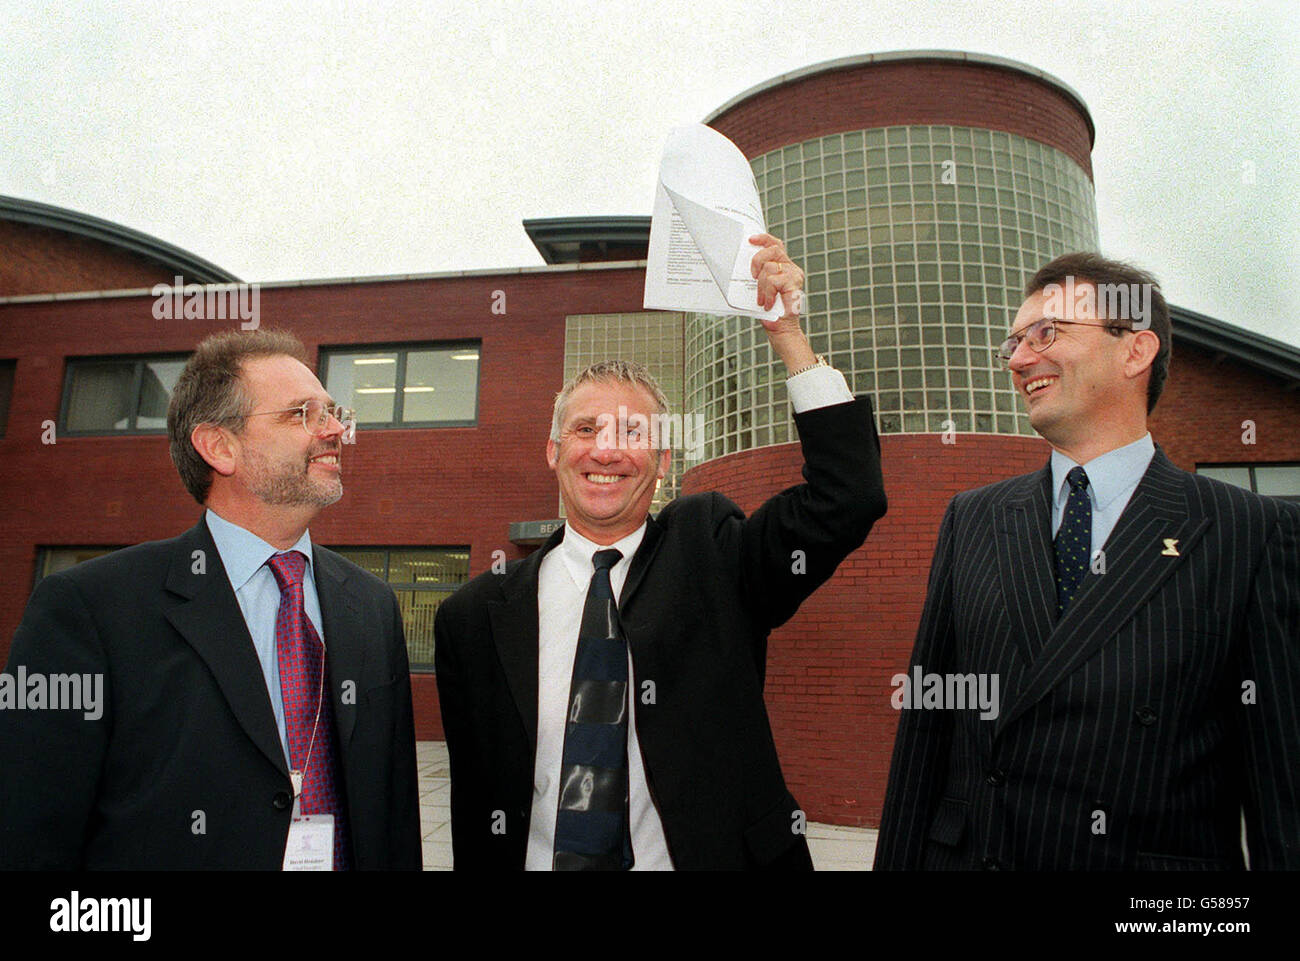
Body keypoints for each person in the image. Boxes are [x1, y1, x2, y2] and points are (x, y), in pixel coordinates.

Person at [435, 234, 887, 870]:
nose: (607, 450)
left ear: (664, 461)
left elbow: (848, 497)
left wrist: (787, 335)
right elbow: (477, 803)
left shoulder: (713, 554)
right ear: (553, 451)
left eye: (632, 432)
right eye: (586, 429)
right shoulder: (473, 617)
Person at [874, 253, 1300, 871]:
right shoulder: (972, 518)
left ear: (1135, 351)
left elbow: (1282, 794)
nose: (1019, 360)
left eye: (1047, 332)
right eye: (1014, 342)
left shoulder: (1250, 533)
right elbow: (924, 740)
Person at [0, 329, 422, 869]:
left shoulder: (372, 606)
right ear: (220, 446)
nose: (337, 429)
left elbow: (393, 816)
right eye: (301, 414)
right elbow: (31, 834)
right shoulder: (89, 610)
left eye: (333, 412)